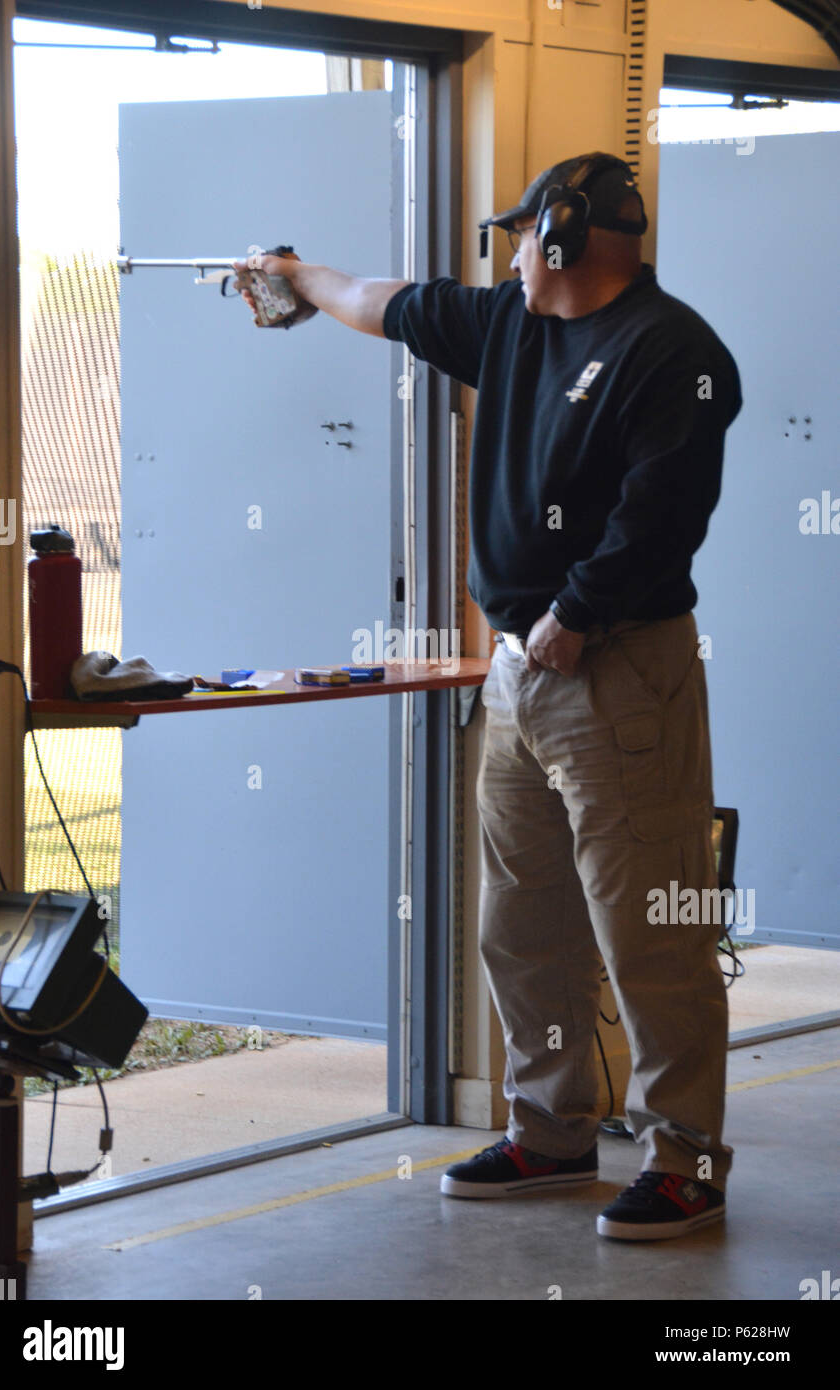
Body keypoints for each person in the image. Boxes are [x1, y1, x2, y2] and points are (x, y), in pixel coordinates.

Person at [234, 151, 743, 1241]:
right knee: (524, 921)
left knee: (653, 926)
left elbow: (663, 512)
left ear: (565, 233)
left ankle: (686, 1156)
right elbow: (383, 304)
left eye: (520, 233)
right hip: (522, 670)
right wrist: (296, 275)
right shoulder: (510, 322)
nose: (510, 254)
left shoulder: (675, 353)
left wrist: (574, 616)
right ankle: (553, 1133)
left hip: (617, 666)